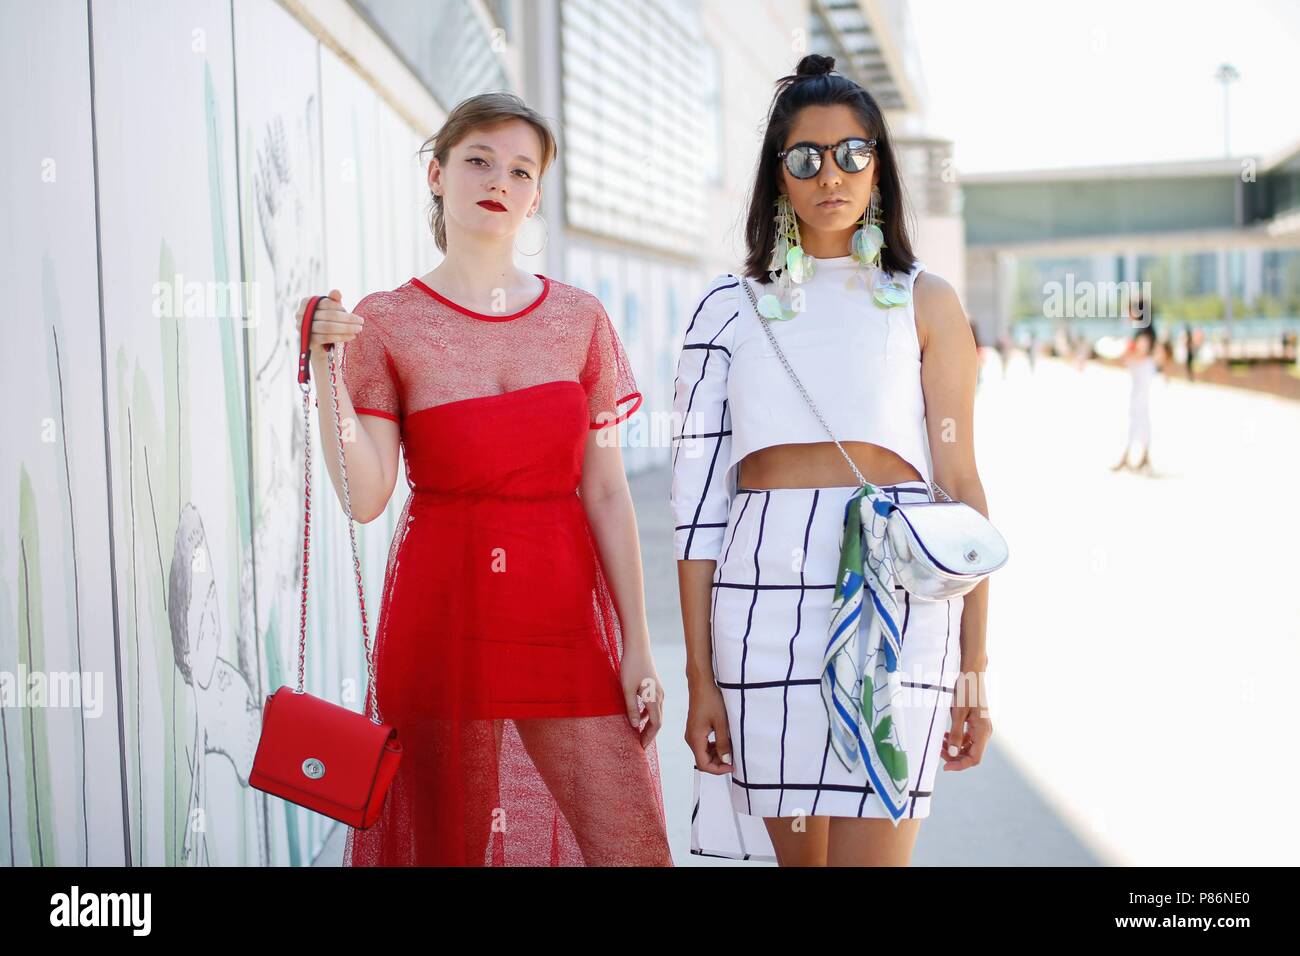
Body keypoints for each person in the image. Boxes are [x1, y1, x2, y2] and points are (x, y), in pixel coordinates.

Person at [297, 92, 673, 866]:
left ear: (535, 196)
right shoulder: (388, 320)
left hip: (563, 618)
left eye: (520, 169)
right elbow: (366, 497)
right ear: (436, 174)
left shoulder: (579, 320)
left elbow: (605, 491)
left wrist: (638, 641)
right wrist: (327, 371)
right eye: (477, 160)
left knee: (622, 837)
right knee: (445, 845)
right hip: (440, 618)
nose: (497, 179)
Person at [670, 54, 992, 866]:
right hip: (761, 613)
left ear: (879, 166)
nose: (830, 174)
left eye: (853, 153)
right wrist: (699, 677)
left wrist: (974, 667)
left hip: (902, 607)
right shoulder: (726, 307)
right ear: (778, 176)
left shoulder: (928, 301)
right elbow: (700, 510)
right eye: (805, 157)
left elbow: (960, 489)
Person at [1111, 295, 1163, 475]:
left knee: (1136, 415)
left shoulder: (1143, 331)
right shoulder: (1145, 330)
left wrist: (1123, 356)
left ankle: (1132, 455)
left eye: (1130, 309)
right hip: (1141, 376)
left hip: (1141, 377)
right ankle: (1141, 455)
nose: (1128, 313)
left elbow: (1142, 354)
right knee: (1140, 415)